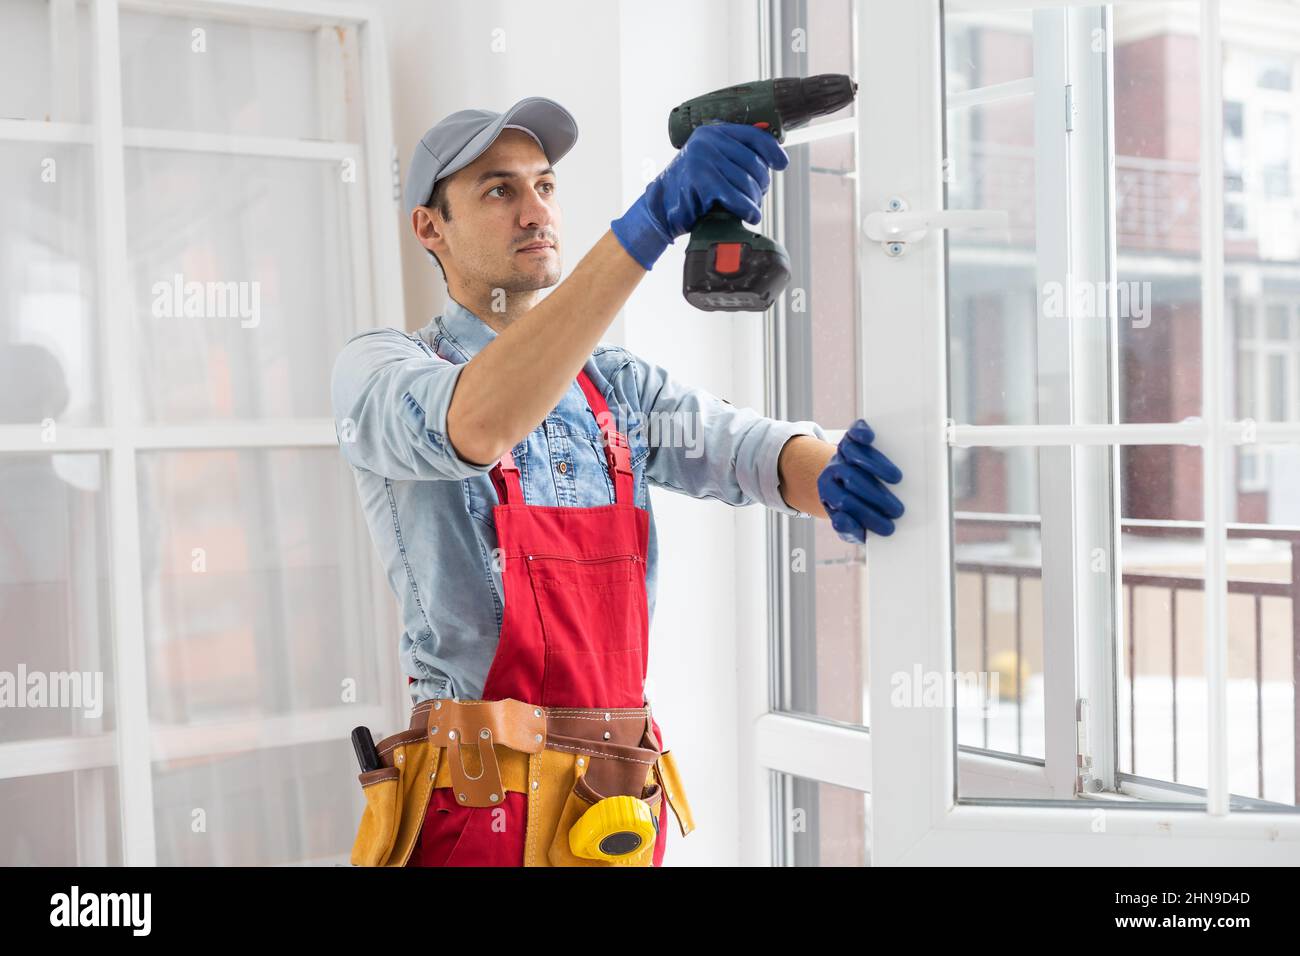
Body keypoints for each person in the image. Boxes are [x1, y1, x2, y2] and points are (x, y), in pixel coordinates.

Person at [331, 96, 904, 866]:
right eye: (499, 190)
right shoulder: (384, 370)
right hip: (477, 804)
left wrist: (836, 473)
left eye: (545, 185)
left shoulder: (616, 390)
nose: (535, 211)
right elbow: (478, 423)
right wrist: (649, 224)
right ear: (430, 228)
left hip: (611, 805)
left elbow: (749, 453)